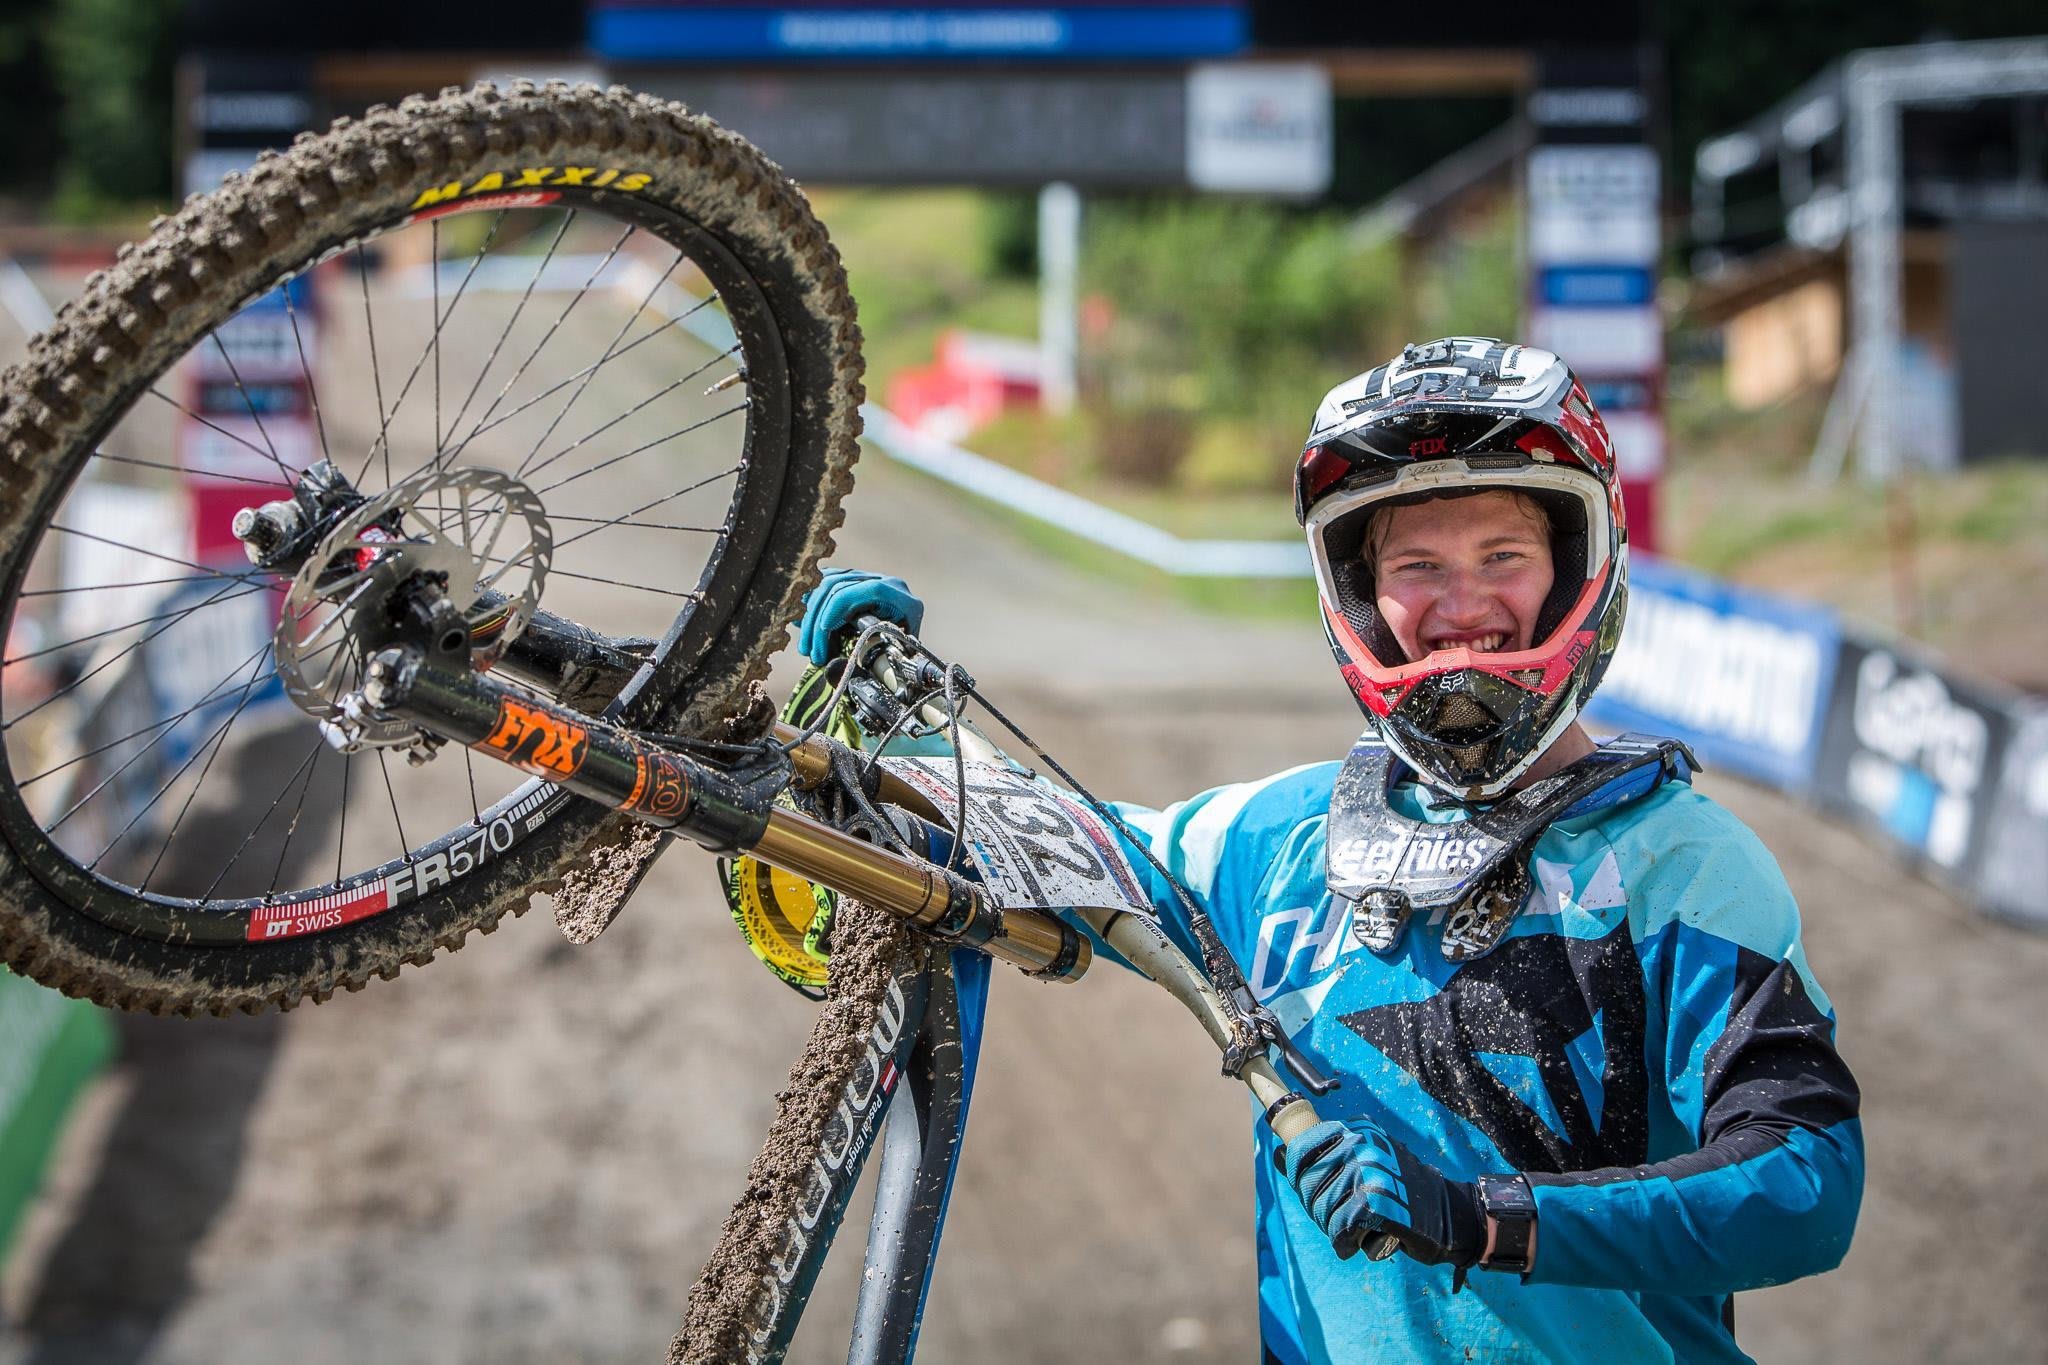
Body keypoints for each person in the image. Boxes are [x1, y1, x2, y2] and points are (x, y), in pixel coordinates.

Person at [797, 337, 1862, 1363]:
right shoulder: (1274, 840)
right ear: (1358, 595)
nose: (1460, 605)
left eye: (1502, 556)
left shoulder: (1681, 864)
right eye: (1414, 564)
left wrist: (1483, 1219)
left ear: (1576, 567)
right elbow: (1048, 842)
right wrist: (902, 718)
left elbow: (1804, 1187)